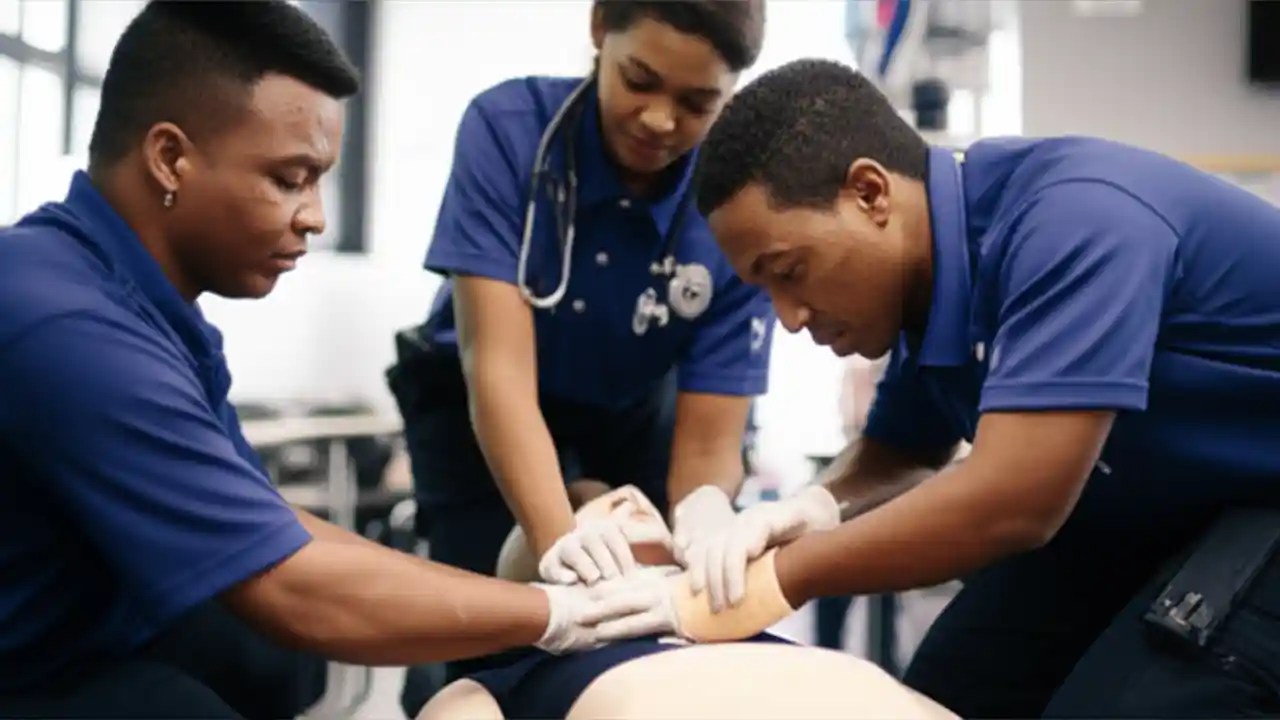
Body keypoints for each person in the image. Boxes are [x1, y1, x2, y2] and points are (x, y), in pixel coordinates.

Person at [0, 3, 674, 718]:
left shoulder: (144, 305)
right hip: (32, 666)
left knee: (274, 664)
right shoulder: (62, 321)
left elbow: (273, 531)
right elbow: (294, 586)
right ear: (171, 157)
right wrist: (556, 613)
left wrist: (540, 600)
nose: (316, 215)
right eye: (290, 178)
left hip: (79, 628)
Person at [679, 58, 1280, 717]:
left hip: (1259, 505)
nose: (789, 317)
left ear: (871, 193)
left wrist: (772, 581)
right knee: (946, 691)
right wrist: (807, 508)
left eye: (790, 271)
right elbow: (901, 451)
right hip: (1163, 514)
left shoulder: (1074, 218)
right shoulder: (929, 288)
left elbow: (1015, 501)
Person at [385, 0, 776, 700]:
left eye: (697, 103)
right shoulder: (508, 131)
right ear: (599, 28)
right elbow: (498, 376)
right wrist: (559, 544)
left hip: (631, 406)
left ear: (733, 93)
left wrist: (703, 523)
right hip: (481, 403)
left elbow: (711, 441)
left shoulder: (735, 201)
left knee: (649, 632)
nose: (661, 120)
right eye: (640, 80)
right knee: (486, 638)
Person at [417, 483, 958, 720]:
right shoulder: (504, 683)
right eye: (602, 506)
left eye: (636, 501)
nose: (629, 496)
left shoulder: (730, 622)